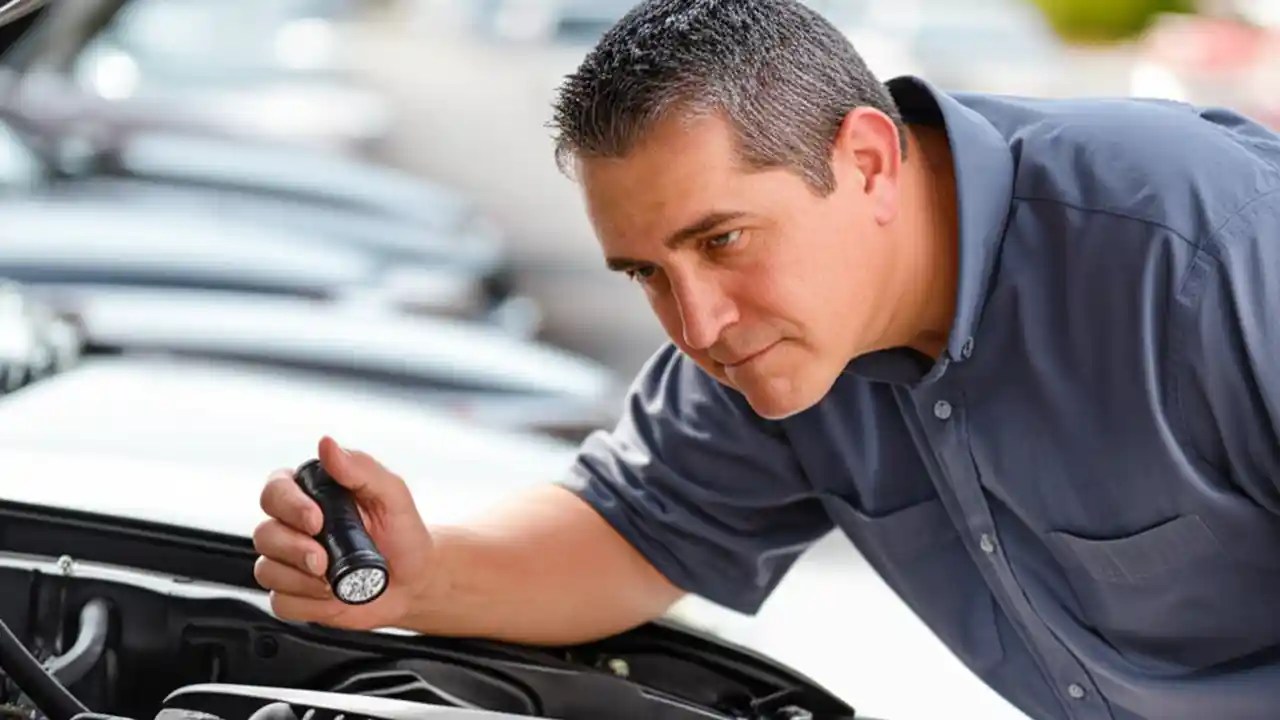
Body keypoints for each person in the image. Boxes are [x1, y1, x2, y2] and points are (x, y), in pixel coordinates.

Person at [251, 1, 1280, 718]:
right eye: (643, 274)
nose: (695, 323)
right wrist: (424, 574)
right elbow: (632, 530)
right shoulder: (771, 350)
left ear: (866, 160)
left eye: (721, 240)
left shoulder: (1205, 249)